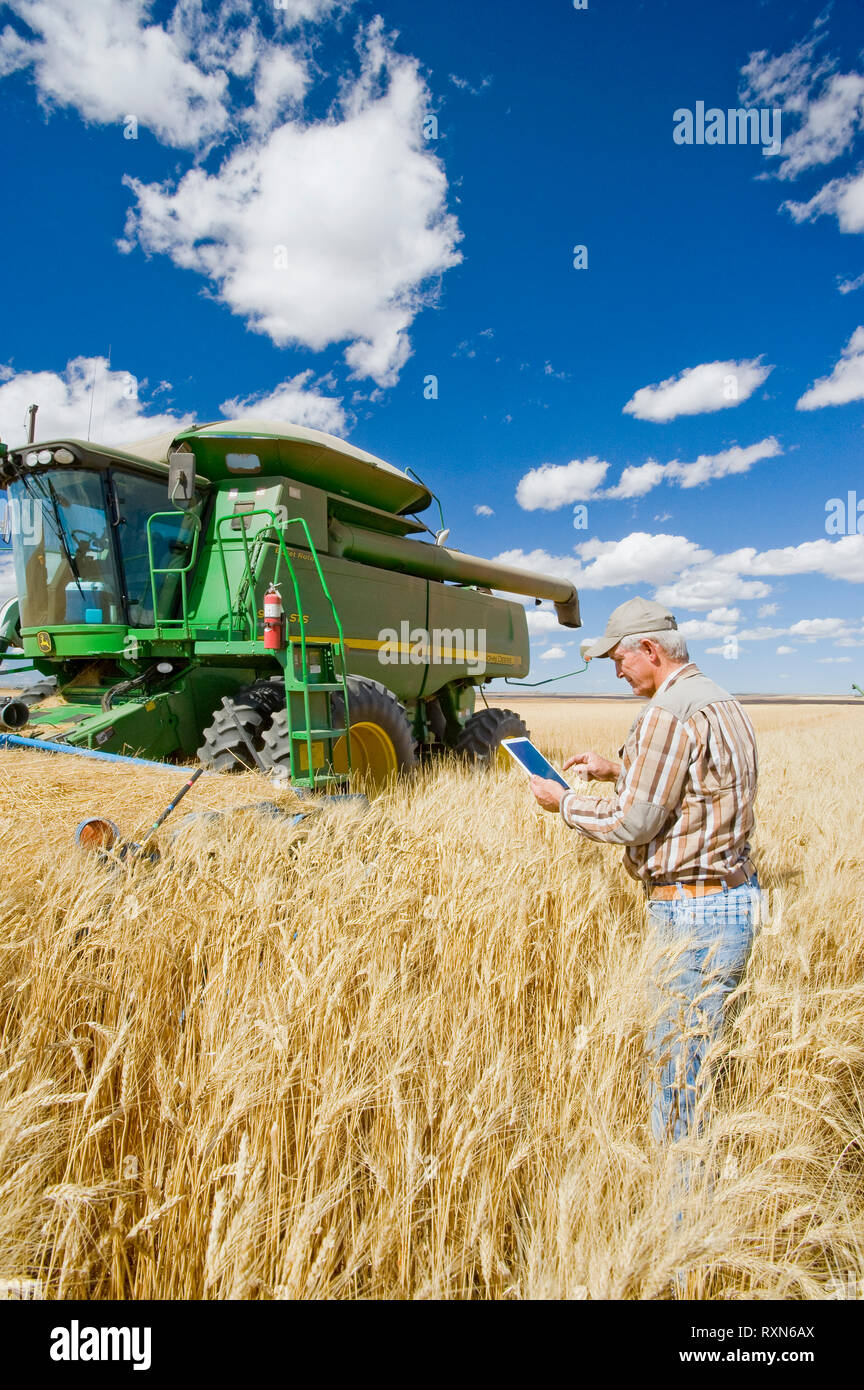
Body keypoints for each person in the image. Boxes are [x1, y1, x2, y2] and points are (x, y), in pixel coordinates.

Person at [530, 597, 760, 1145]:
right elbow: (697, 786)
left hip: (693, 914)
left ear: (651, 650)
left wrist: (563, 802)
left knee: (676, 1073)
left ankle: (681, 1216)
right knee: (703, 1057)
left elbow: (633, 823)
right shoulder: (720, 701)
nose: (616, 671)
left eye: (618, 659)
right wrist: (618, 768)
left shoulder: (665, 713)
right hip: (734, 898)